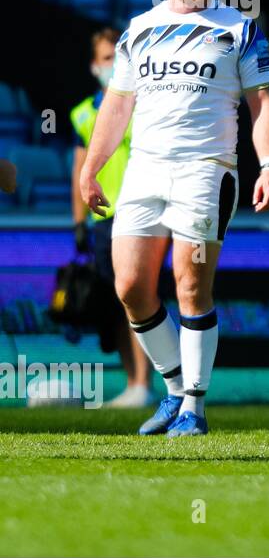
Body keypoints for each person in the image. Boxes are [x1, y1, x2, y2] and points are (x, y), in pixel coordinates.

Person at [79, 0, 269, 437]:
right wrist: (91, 168)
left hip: (206, 170)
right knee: (129, 288)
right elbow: (116, 106)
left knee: (190, 285)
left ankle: (194, 406)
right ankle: (174, 390)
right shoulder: (138, 30)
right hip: (144, 172)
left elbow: (264, 103)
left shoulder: (239, 28)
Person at [70, 27, 153, 408]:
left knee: (139, 295)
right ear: (92, 66)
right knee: (118, 302)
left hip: (141, 209)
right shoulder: (83, 113)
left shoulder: (144, 103)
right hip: (103, 216)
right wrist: (78, 223)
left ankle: (146, 382)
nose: (111, 65)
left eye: (116, 57)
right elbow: (79, 167)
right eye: (105, 58)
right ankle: (133, 382)